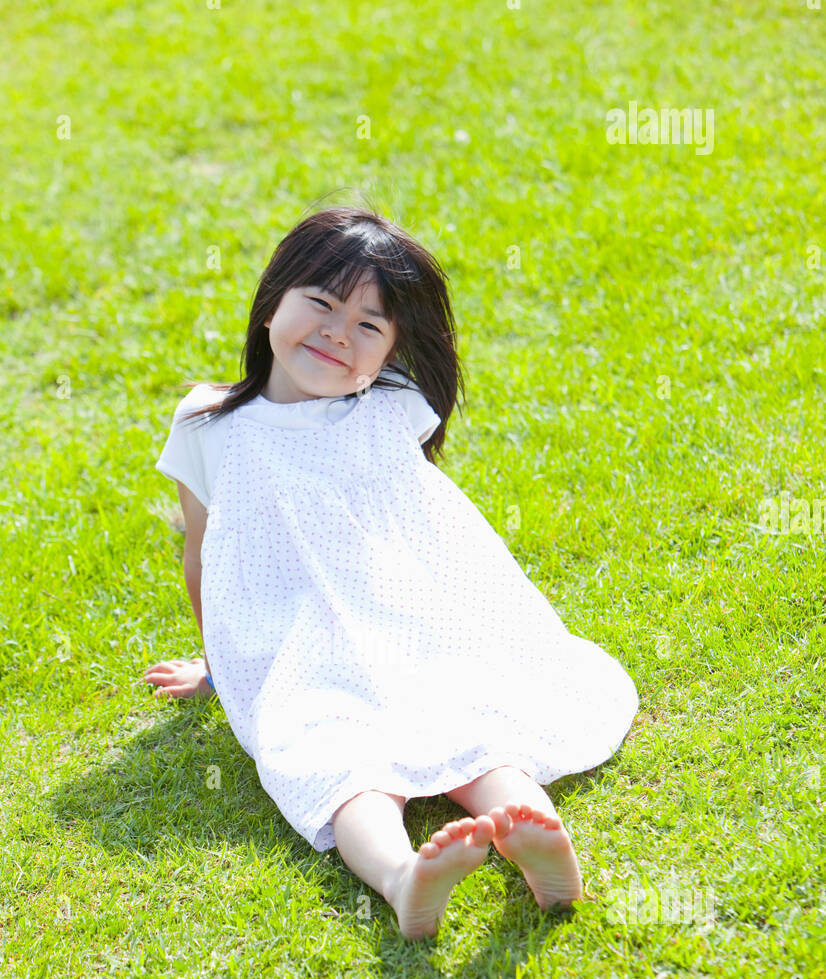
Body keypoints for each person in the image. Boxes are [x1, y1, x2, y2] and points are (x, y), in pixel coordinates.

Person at [143, 206, 639, 941]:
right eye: (320, 303)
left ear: (391, 355)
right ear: (271, 301)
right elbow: (203, 553)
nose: (339, 333)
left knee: (470, 719)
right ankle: (403, 877)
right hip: (296, 650)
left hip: (411, 623)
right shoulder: (209, 422)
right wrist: (220, 667)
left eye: (370, 325)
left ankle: (535, 833)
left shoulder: (391, 406)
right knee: (336, 757)